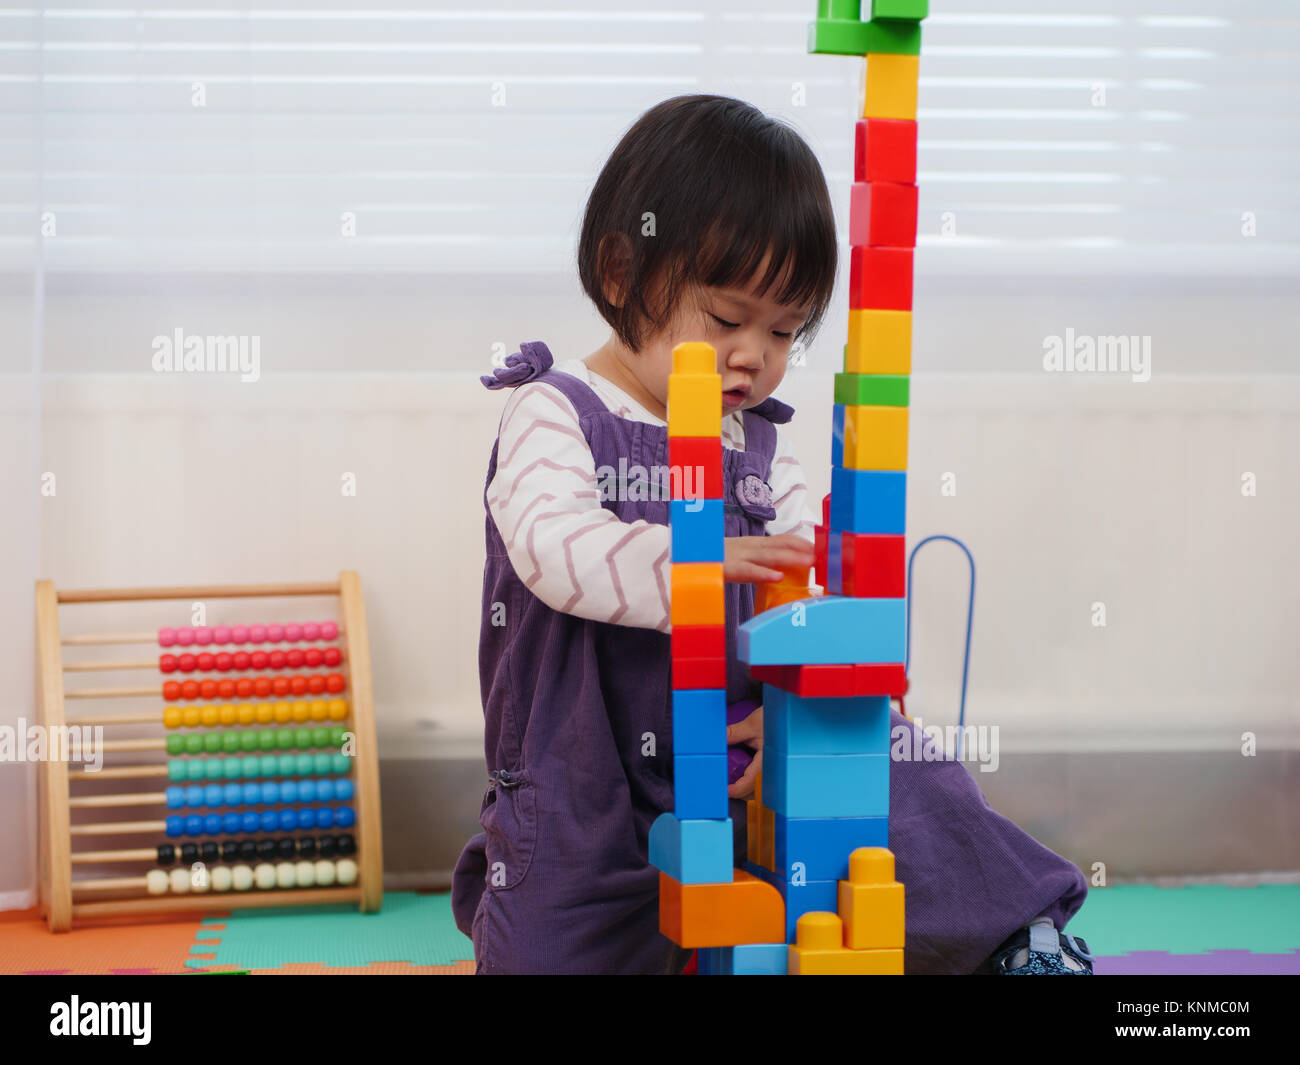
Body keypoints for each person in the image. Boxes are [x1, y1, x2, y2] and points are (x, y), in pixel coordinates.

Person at [451, 94, 1091, 975]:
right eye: (726, 320)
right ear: (619, 272)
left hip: (748, 751)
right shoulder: (556, 412)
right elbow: (553, 550)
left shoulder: (758, 445)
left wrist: (809, 717)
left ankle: (1024, 937)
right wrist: (696, 566)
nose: (754, 354)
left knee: (895, 760)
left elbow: (815, 589)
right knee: (554, 932)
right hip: (587, 774)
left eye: (784, 330)